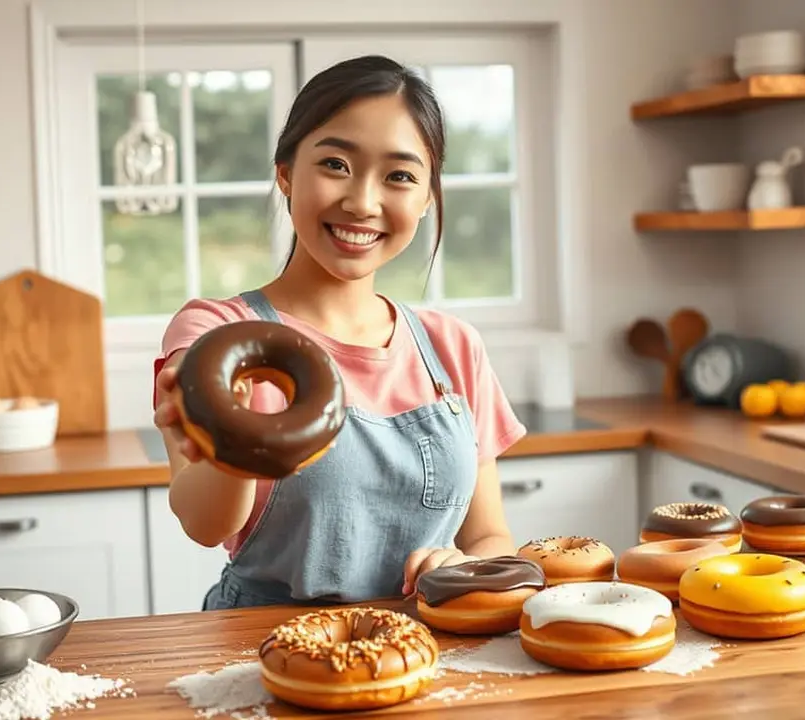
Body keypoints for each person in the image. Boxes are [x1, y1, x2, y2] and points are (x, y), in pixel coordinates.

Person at [152, 55, 527, 611]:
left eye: (400, 176)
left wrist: (466, 566)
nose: (362, 202)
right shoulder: (216, 336)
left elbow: (491, 539)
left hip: (422, 650)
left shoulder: (453, 347)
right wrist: (234, 440)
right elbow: (205, 525)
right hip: (260, 649)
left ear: (427, 198)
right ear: (285, 172)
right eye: (335, 164)